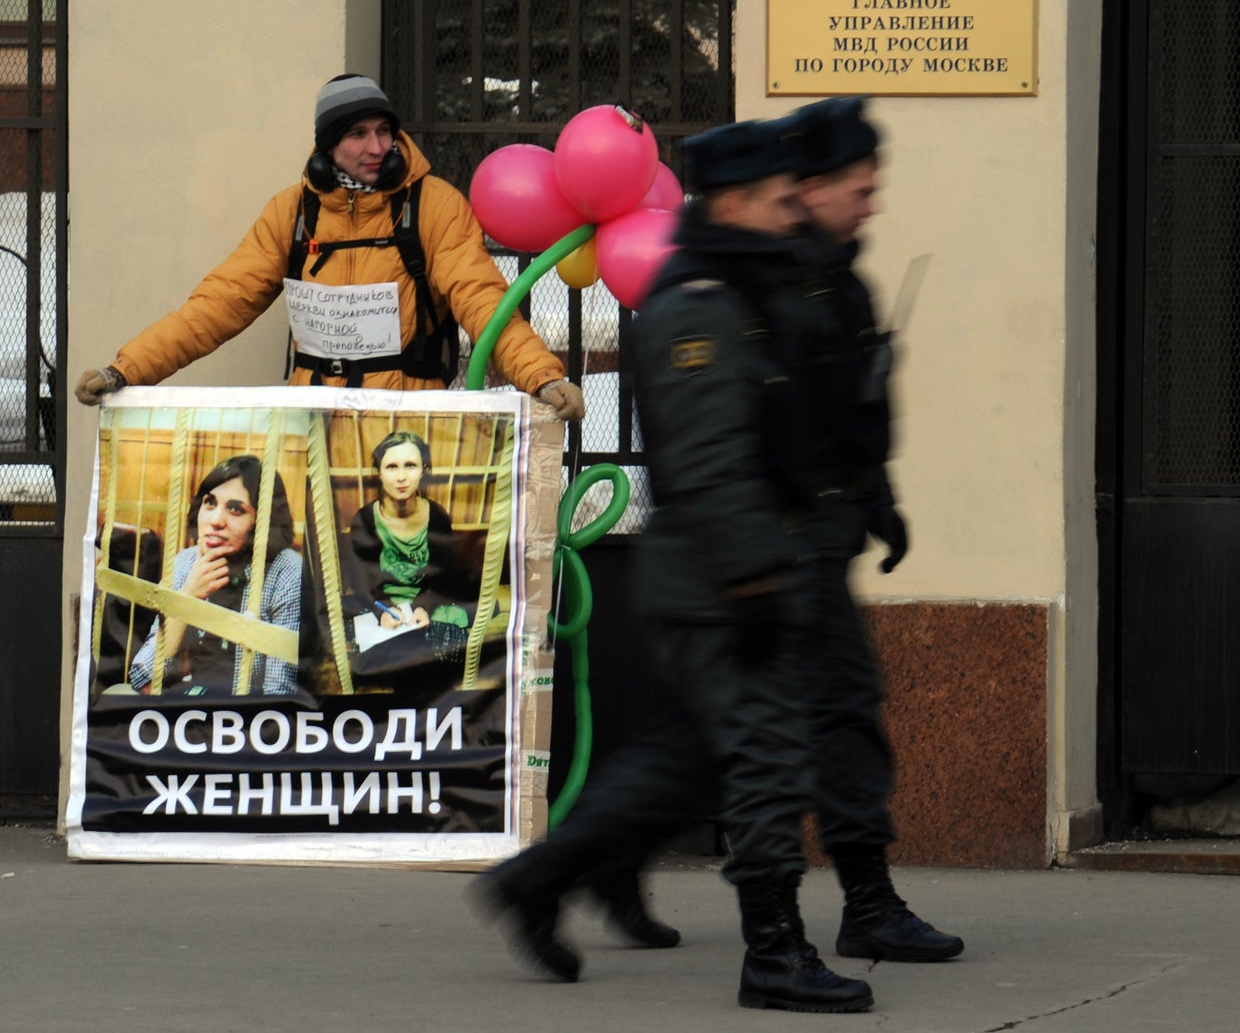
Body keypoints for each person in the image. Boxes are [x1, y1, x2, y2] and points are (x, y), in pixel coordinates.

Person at [474, 117, 875, 1014]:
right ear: (733, 199)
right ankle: (774, 950)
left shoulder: (747, 288)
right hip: (724, 585)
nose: (792, 209)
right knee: (767, 760)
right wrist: (759, 578)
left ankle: (538, 880)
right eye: (778, 198)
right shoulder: (698, 304)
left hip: (734, 573)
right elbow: (708, 463)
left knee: (684, 766)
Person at [74, 74, 585, 422]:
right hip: (312, 427)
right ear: (326, 147)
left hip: (405, 428)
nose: (377, 147)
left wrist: (540, 376)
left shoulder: (433, 205)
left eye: (385, 131)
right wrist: (127, 370)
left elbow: (481, 300)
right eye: (358, 134)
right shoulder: (291, 212)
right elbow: (217, 306)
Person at [778, 96, 961, 964]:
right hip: (785, 545)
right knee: (841, 714)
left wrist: (877, 495)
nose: (874, 202)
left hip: (822, 532)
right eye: (861, 184)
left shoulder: (837, 279)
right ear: (811, 187)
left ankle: (577, 869)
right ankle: (867, 903)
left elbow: (851, 412)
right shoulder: (777, 285)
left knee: (709, 735)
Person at [128, 454, 303, 696]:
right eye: (210, 503)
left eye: (235, 509)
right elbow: (142, 679)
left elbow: (278, 693)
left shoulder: (287, 571)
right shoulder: (187, 562)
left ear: (262, 522)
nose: (216, 520)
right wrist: (188, 598)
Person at [343, 429, 477, 667]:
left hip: (426, 604)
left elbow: (443, 576)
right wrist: (382, 611)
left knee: (458, 647)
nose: (401, 477)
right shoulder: (364, 520)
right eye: (392, 467)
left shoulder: (437, 517)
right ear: (379, 473)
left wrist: (422, 608)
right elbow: (361, 579)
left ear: (423, 471)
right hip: (384, 606)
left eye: (410, 466)